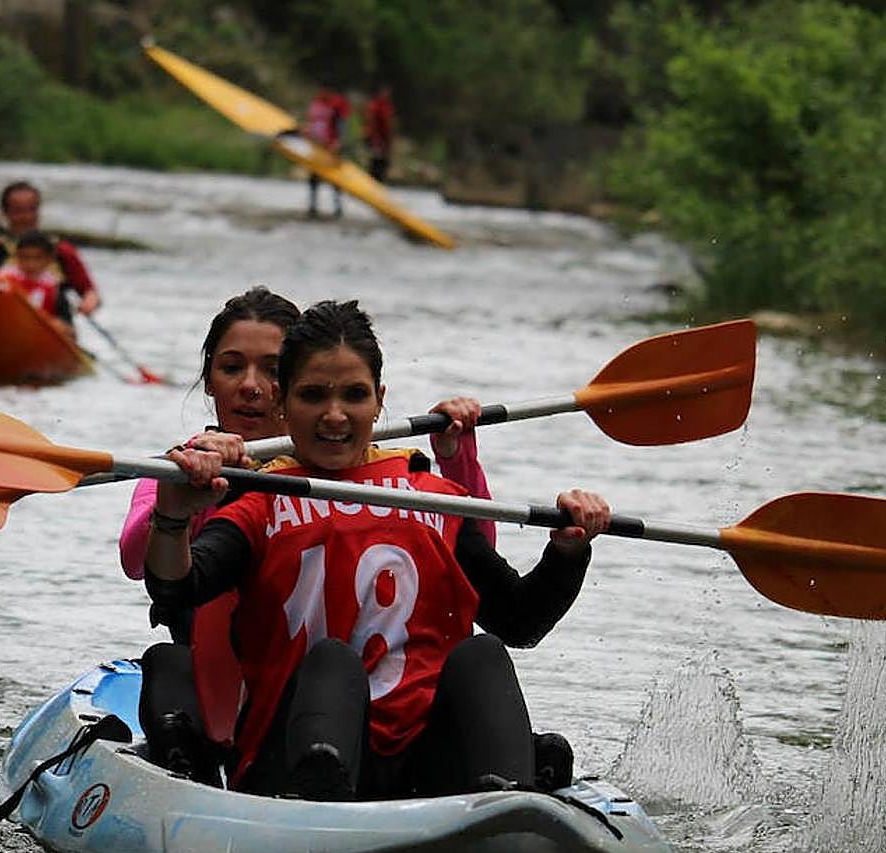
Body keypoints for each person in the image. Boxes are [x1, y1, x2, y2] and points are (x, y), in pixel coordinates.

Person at [144, 300, 609, 800]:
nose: (335, 416)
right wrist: (172, 516)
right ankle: (320, 799)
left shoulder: (433, 496)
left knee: (483, 655)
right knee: (333, 660)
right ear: (283, 404)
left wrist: (566, 552)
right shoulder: (258, 499)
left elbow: (520, 622)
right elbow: (175, 589)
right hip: (292, 759)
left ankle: (508, 801)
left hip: (422, 768)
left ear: (379, 400)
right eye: (314, 395)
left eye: (354, 395)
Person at [0, 181, 101, 317]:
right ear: (5, 212)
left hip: (47, 326)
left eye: (31, 209)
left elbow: (90, 292)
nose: (26, 217)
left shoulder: (60, 251)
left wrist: (89, 303)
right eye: (18, 211)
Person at [0, 230, 76, 338]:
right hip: (2, 334)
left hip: (36, 340)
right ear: (17, 256)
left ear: (49, 259)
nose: (31, 264)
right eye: (25, 257)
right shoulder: (2, 278)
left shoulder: (55, 289)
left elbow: (72, 333)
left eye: (37, 258)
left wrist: (62, 327)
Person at [303, 84, 352, 218]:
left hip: (331, 147)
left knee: (335, 178)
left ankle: (338, 208)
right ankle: (313, 207)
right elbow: (312, 121)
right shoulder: (317, 103)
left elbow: (341, 125)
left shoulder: (338, 104)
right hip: (316, 146)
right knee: (314, 177)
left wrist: (338, 142)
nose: (320, 92)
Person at [363, 85, 395, 182]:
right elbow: (372, 125)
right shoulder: (376, 106)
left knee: (380, 166)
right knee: (376, 167)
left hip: (381, 143)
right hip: (377, 142)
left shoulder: (385, 106)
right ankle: (372, 189)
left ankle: (376, 188)